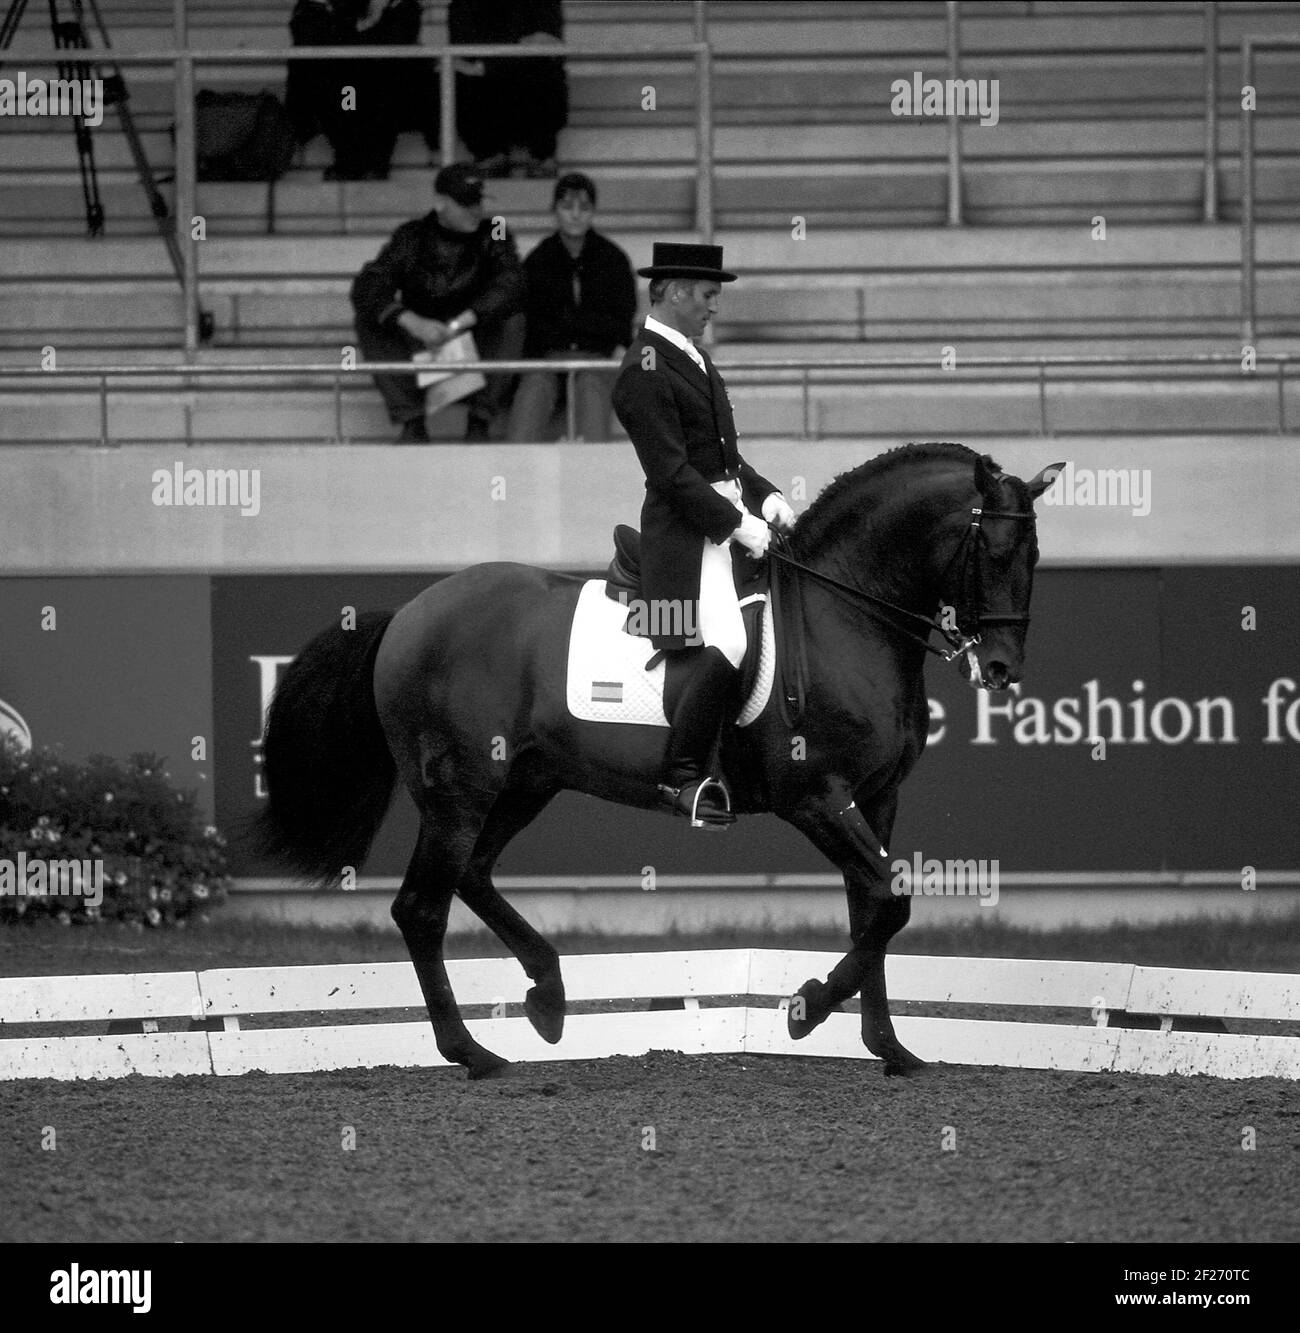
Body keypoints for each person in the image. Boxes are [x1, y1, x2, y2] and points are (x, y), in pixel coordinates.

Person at [611, 242, 798, 828]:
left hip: (725, 520)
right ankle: (684, 777)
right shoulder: (643, 367)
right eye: (708, 294)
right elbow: (670, 474)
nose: (715, 306)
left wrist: (766, 495)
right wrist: (739, 525)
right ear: (671, 292)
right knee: (731, 644)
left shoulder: (690, 357)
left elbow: (722, 459)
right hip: (686, 540)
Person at [350, 163, 526, 442]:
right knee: (370, 317)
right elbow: (368, 286)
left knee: (513, 319)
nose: (476, 210)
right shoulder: (412, 236)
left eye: (478, 201)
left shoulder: (495, 229)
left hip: (473, 346)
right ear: (440, 203)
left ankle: (480, 420)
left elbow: (511, 284)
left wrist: (462, 322)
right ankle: (412, 421)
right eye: (466, 203)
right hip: (423, 350)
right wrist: (412, 322)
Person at [507, 173, 636, 442]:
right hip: (548, 358)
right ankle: (514, 474)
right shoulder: (538, 260)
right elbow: (532, 323)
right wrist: (580, 326)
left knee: (590, 387)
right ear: (554, 211)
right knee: (534, 387)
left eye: (584, 208)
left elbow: (621, 323)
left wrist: (572, 326)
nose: (576, 215)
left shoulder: (613, 259)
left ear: (593, 212)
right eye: (567, 207)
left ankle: (593, 477)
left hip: (597, 358)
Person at [286, 0, 438, 181]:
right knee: (343, 94)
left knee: (384, 92)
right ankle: (350, 161)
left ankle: (374, 163)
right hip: (348, 90)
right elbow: (322, 43)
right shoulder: (322, 10)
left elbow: (396, 41)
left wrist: (374, 21)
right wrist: (368, 25)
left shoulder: (402, 8)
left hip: (386, 91)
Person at [448, 0, 567, 178]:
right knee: (463, 76)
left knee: (545, 71)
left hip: (523, 80)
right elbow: (465, 45)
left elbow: (550, 46)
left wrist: (487, 65)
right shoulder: (464, 4)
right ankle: (489, 154)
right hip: (489, 87)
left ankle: (541, 155)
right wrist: (519, 46)